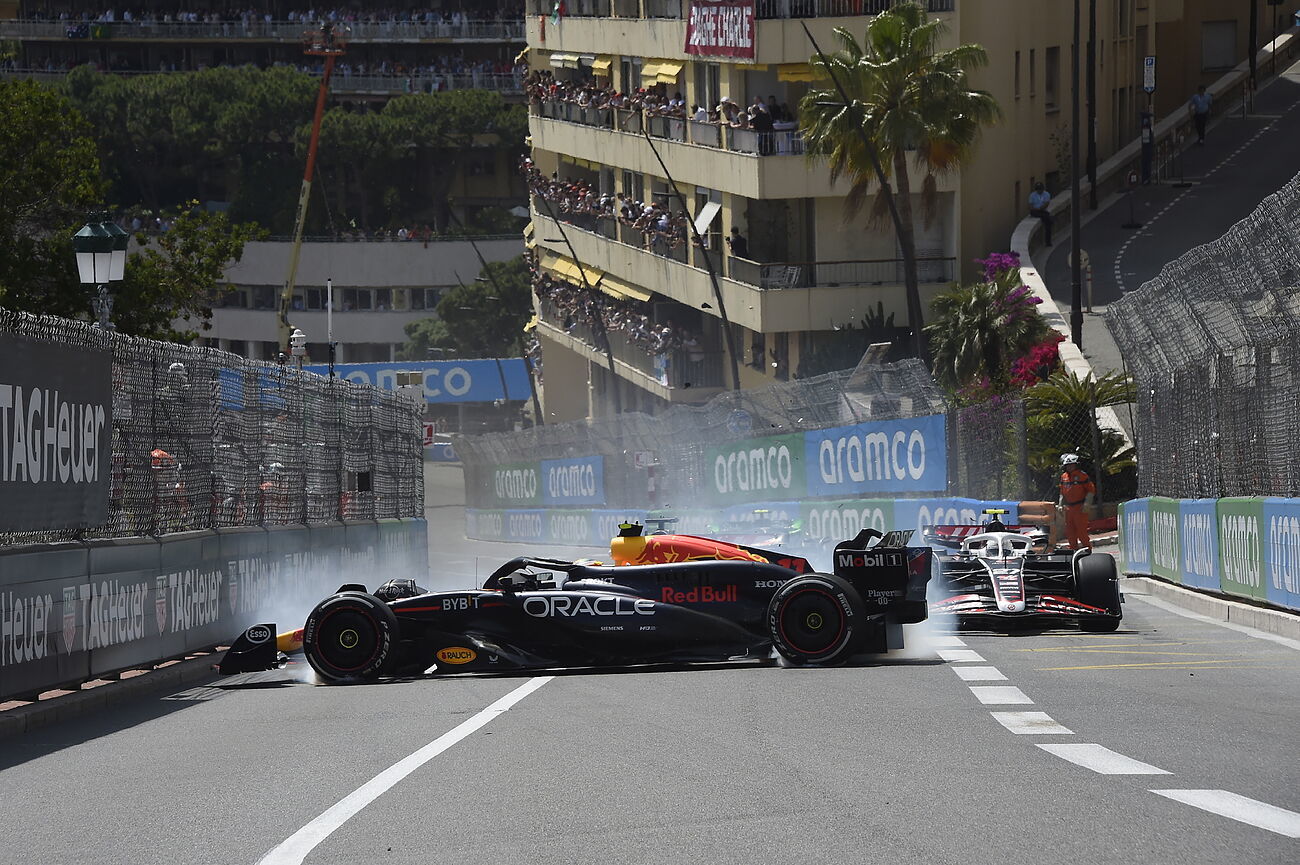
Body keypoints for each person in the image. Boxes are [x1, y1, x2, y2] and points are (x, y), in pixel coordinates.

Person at [1057, 453, 1096, 551]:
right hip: (1069, 508)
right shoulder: (1063, 477)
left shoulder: (1082, 476)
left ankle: (1087, 549)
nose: (1070, 467)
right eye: (1068, 465)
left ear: (1076, 465)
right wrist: (1061, 505)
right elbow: (1062, 492)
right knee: (1070, 531)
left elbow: (1091, 490)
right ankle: (1073, 549)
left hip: (1080, 507)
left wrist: (1087, 503)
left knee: (1081, 531)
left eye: (1072, 465)